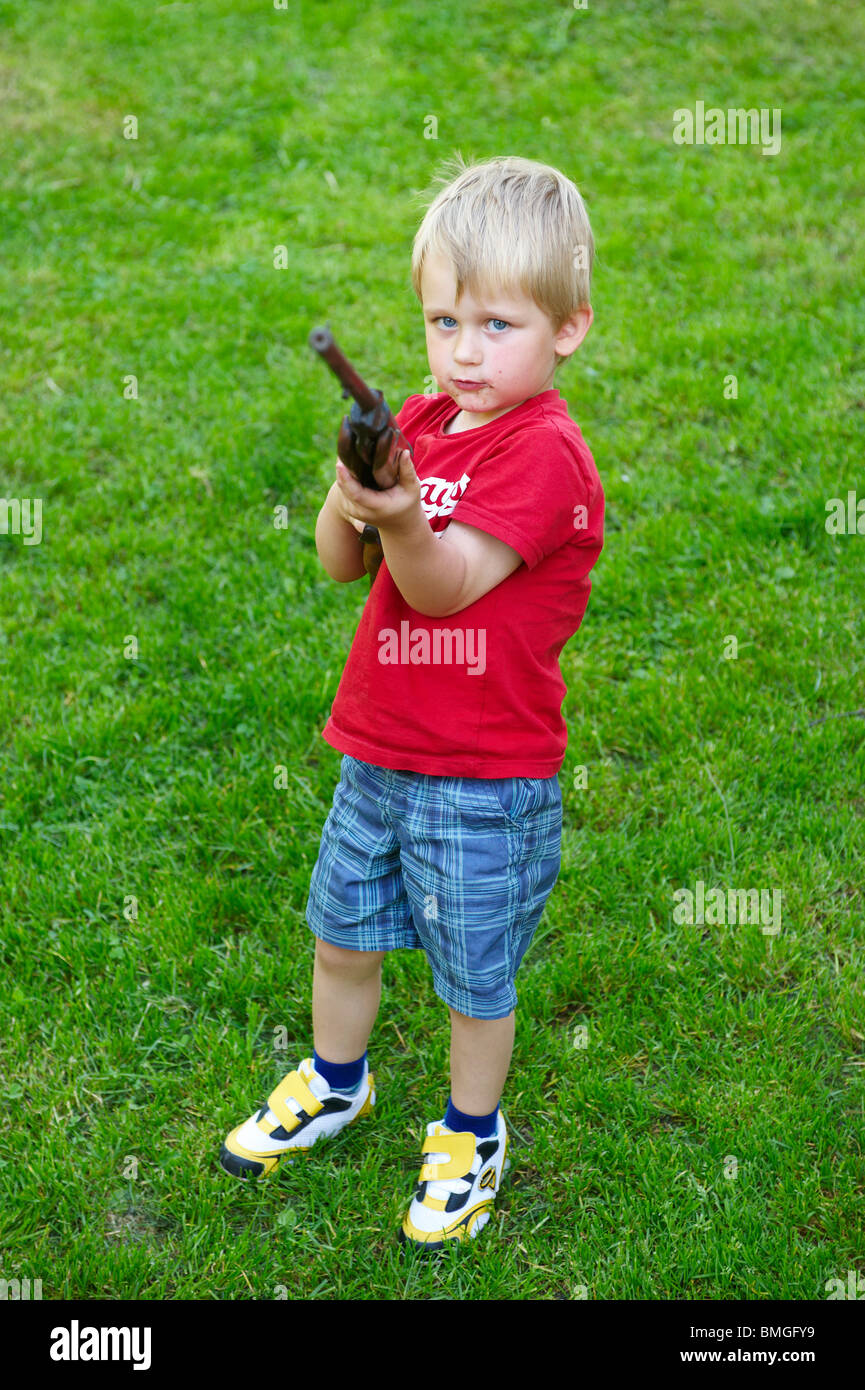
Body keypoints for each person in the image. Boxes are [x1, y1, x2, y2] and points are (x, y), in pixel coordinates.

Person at [220, 154, 605, 1251]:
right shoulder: (428, 421)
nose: (463, 353)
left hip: (484, 776)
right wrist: (354, 494)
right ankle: (338, 1080)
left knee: (472, 975)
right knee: (341, 932)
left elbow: (436, 589)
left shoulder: (545, 458)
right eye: (443, 322)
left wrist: (397, 515)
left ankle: (470, 1132)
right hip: (380, 751)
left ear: (566, 329)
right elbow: (343, 564)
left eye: (495, 325)